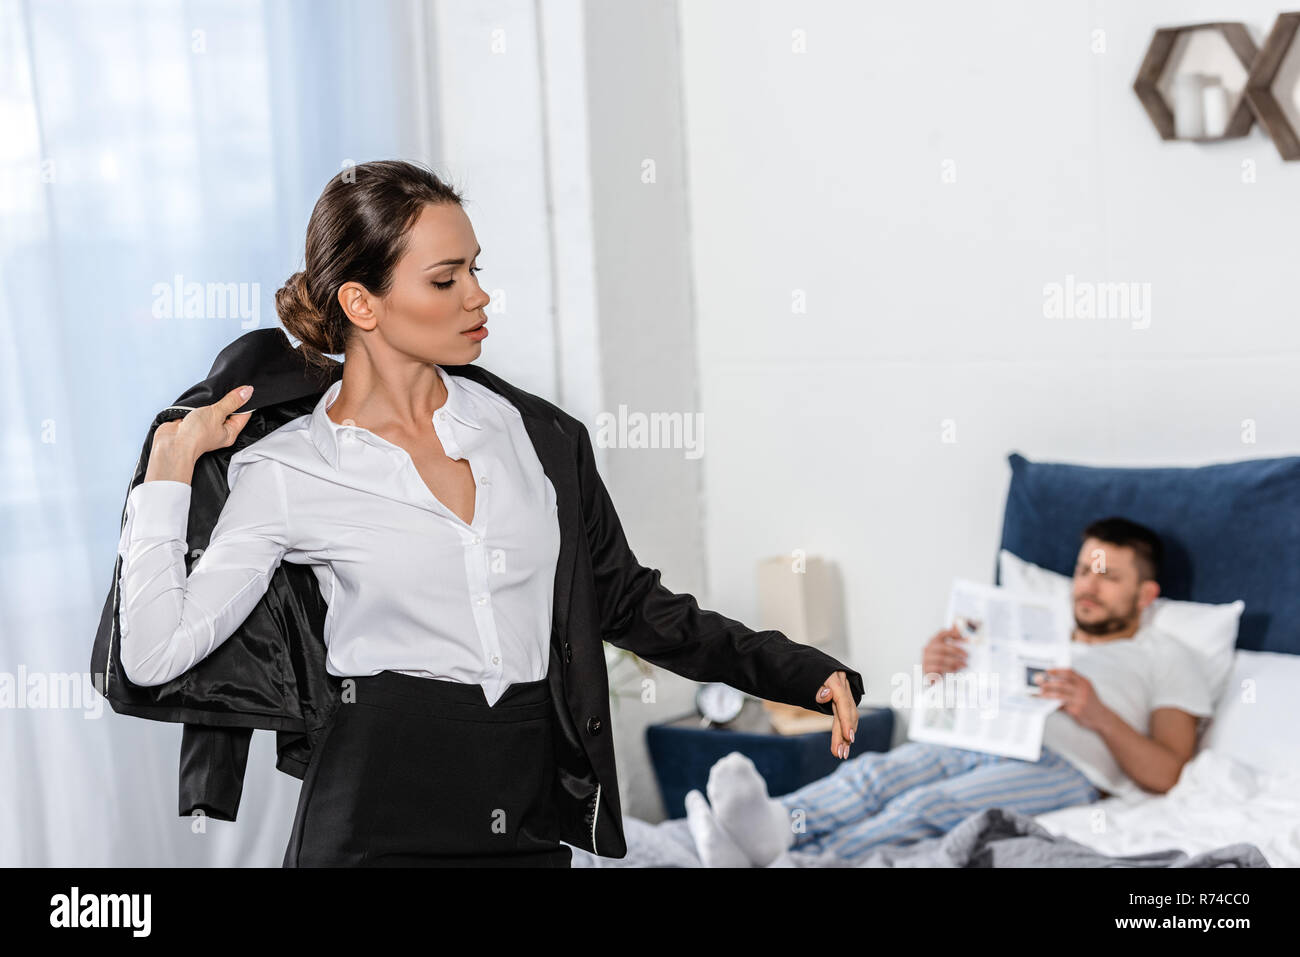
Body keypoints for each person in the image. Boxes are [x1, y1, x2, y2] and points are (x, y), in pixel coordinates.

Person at [115, 159, 862, 867]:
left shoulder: (535, 435)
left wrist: (794, 670)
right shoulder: (288, 471)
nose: (478, 295)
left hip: (524, 803)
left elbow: (631, 603)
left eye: (475, 268)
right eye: (446, 278)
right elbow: (153, 656)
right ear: (360, 302)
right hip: (373, 817)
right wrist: (170, 465)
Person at [684, 517, 1216, 867]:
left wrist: (1097, 713)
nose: (1087, 587)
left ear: (1145, 594)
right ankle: (770, 829)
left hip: (1065, 768)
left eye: (1107, 577)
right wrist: (940, 673)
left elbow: (1168, 772)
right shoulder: (1033, 628)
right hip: (978, 740)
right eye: (1082, 571)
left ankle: (798, 864)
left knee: (929, 805)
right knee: (874, 775)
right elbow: (948, 711)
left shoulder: (1165, 655)